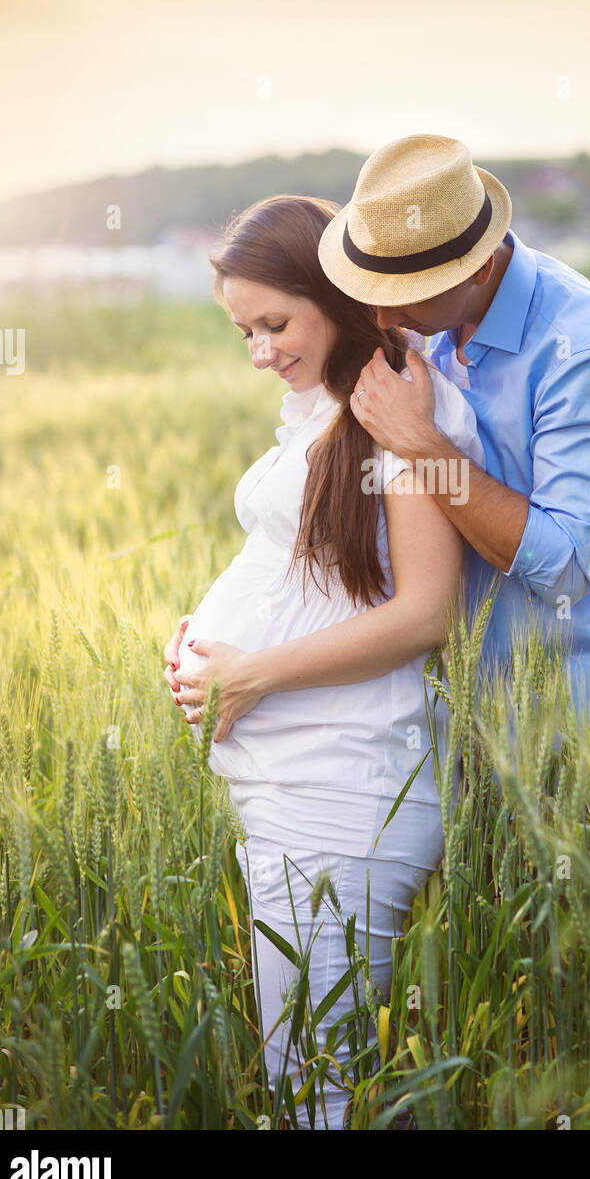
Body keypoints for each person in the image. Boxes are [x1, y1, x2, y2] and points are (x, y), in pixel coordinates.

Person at [162, 193, 484, 1129]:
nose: (259, 350)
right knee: (313, 1083)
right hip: (294, 792)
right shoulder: (315, 408)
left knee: (317, 1097)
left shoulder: (396, 404)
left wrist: (252, 674)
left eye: (275, 322)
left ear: (335, 296)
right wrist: (198, 636)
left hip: (343, 800)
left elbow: (424, 612)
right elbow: (298, 567)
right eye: (242, 331)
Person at [320, 134, 590, 781]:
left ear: (479, 268)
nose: (381, 310)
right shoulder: (432, 322)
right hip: (463, 721)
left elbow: (564, 564)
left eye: (406, 290)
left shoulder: (585, 355)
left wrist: (422, 446)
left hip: (582, 730)